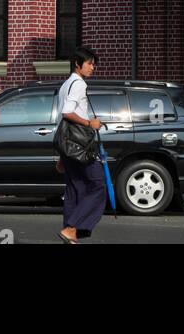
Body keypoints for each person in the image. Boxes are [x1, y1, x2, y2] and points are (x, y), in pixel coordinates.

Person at [57, 46, 106, 245]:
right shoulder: (78, 84)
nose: (92, 68)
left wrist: (62, 154)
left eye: (93, 65)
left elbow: (61, 122)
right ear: (77, 64)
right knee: (97, 185)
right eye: (89, 64)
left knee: (74, 188)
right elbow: (67, 113)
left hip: (67, 145)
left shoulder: (65, 84)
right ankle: (71, 229)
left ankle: (71, 235)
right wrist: (90, 124)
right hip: (80, 146)